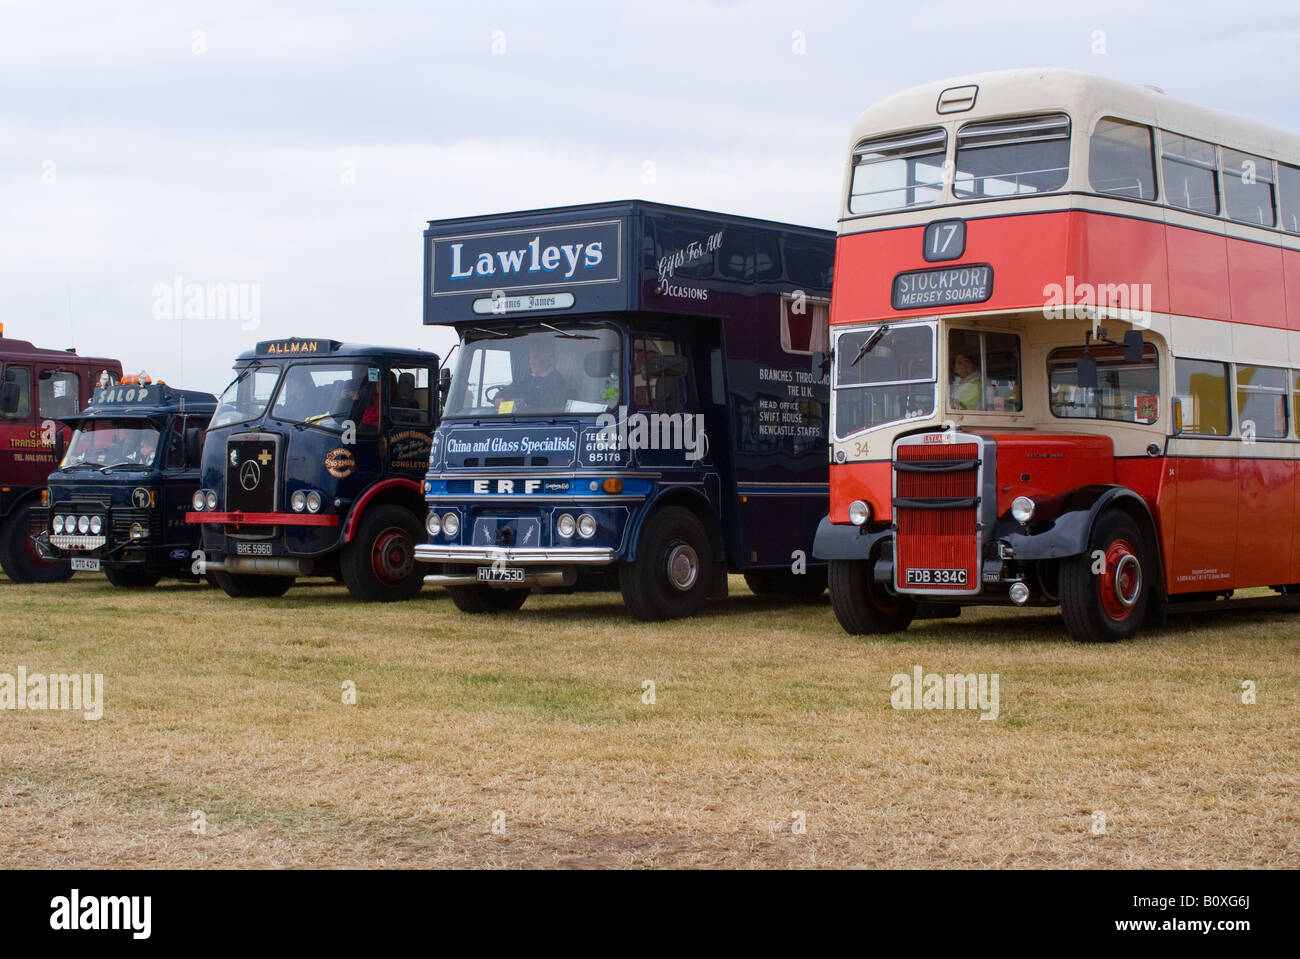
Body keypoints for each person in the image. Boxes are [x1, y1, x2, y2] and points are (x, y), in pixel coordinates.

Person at [498, 338, 565, 412]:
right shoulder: (528, 378)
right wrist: (499, 398)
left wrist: (519, 403)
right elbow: (512, 388)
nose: (531, 362)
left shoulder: (556, 380)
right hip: (520, 419)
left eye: (536, 357)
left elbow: (547, 407)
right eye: (530, 358)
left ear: (547, 358)